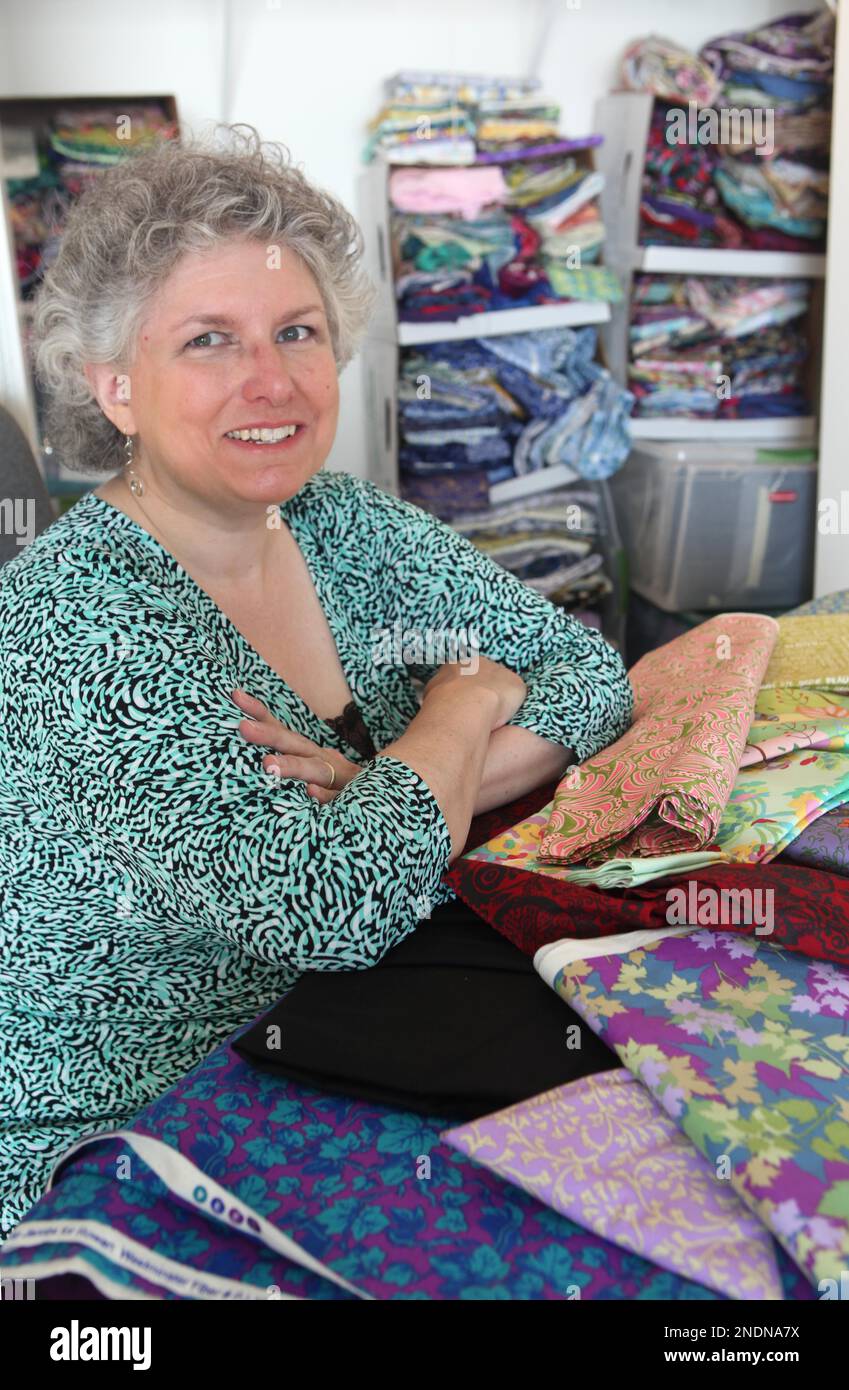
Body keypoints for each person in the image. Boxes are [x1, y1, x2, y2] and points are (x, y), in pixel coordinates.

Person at [0, 126, 633, 1242]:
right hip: (124, 1128)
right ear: (115, 388)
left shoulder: (343, 523)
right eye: (208, 341)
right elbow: (326, 905)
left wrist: (396, 792)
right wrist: (458, 709)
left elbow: (585, 674)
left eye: (297, 331)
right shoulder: (77, 620)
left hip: (353, 1024)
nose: (273, 380)